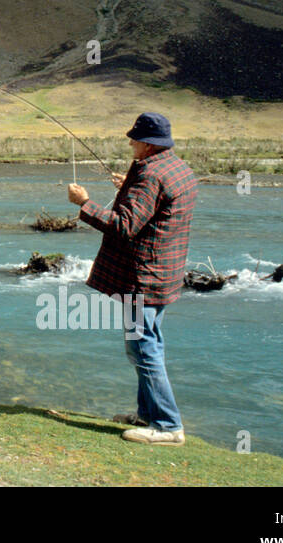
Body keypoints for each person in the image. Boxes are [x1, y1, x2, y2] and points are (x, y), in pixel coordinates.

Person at [66, 112, 198, 445]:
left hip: (143, 276)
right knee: (149, 342)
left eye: (134, 138)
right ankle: (148, 414)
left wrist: (84, 204)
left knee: (142, 347)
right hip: (164, 274)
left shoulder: (150, 176)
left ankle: (168, 426)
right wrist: (128, 187)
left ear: (148, 144)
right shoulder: (176, 168)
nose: (130, 143)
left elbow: (125, 226)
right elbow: (153, 207)